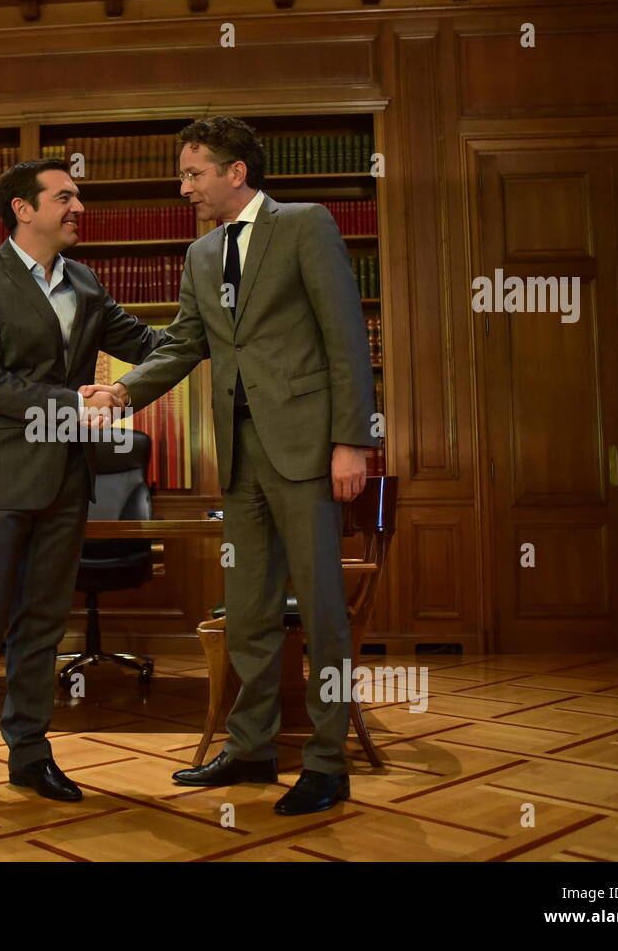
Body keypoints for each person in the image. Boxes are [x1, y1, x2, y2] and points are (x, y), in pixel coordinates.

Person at [82, 117, 379, 814]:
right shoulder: (200, 255)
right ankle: (249, 749)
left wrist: (351, 440)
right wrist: (124, 391)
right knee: (248, 610)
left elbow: (346, 333)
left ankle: (328, 762)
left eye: (194, 173)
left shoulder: (306, 226)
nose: (184, 187)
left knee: (324, 613)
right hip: (239, 459)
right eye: (184, 175)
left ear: (235, 172)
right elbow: (186, 343)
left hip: (308, 451)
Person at [0, 159, 167, 815]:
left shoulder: (87, 284)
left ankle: (30, 755)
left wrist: (216, 328)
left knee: (42, 627)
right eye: (65, 196)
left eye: (80, 197)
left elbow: (149, 343)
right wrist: (73, 401)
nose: (78, 207)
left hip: (67, 482)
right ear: (23, 208)